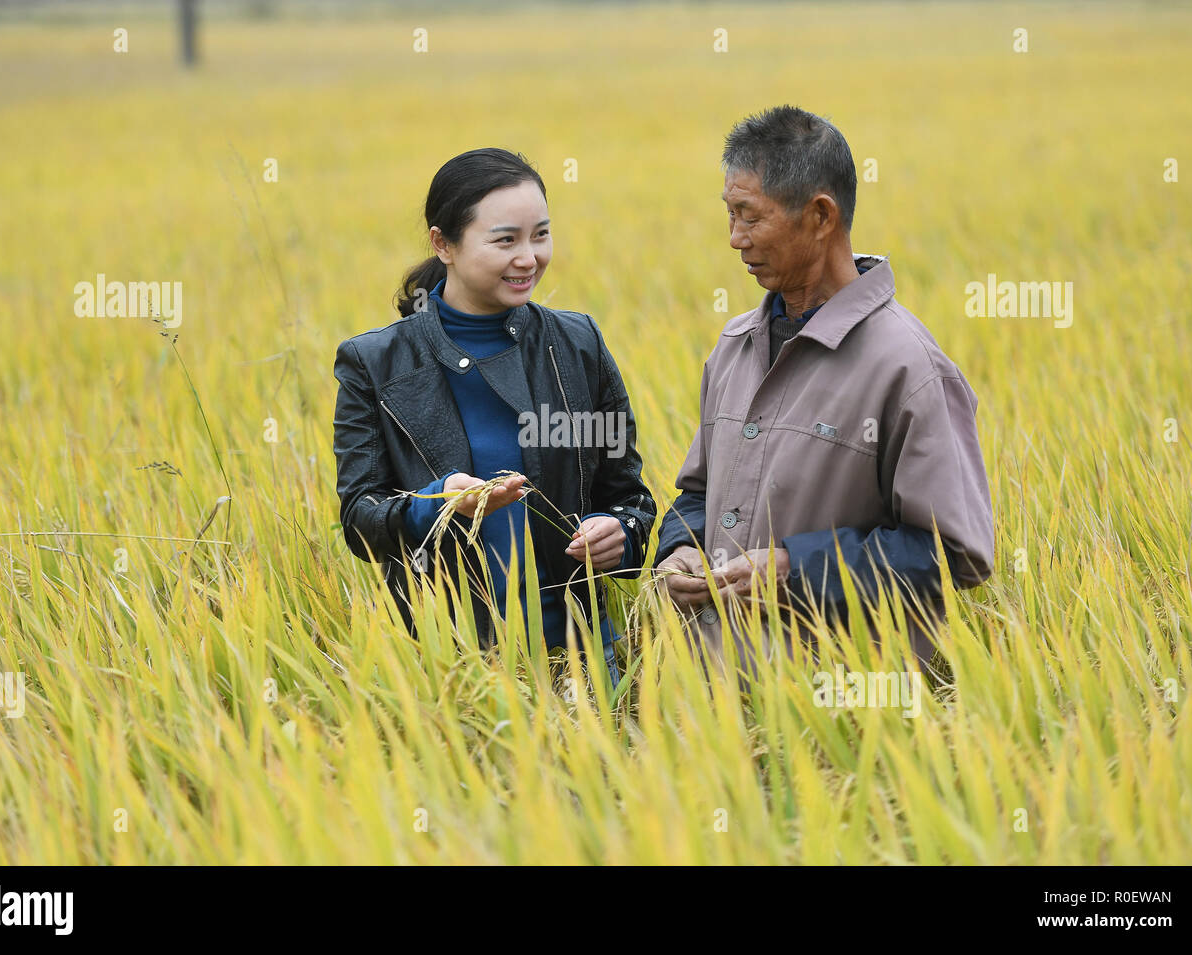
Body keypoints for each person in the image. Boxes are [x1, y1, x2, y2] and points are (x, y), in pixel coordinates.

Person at [653, 106, 995, 677]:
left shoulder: (908, 368)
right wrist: (678, 550)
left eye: (749, 217)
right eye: (729, 215)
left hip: (843, 717)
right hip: (708, 703)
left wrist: (794, 569)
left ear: (819, 216)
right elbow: (699, 492)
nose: (734, 239)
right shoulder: (735, 347)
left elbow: (954, 554)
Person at [333, 147, 655, 688]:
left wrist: (620, 531)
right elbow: (361, 517)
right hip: (447, 667)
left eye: (541, 235)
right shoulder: (375, 363)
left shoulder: (578, 345)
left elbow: (629, 497)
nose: (529, 257)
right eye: (505, 240)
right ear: (444, 244)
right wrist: (438, 504)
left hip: (580, 657)